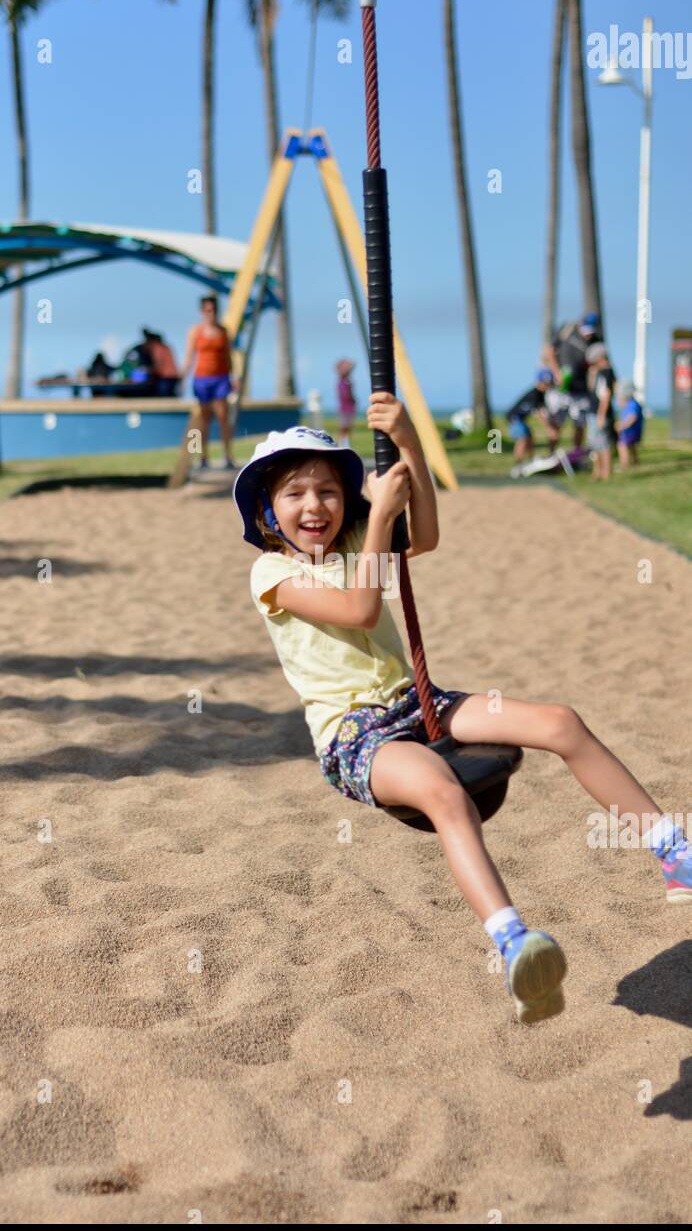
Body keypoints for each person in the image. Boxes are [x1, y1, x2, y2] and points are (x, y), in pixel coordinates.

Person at [232, 404, 692, 1027]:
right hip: (354, 737)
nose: (314, 506)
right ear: (266, 508)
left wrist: (409, 445)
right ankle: (513, 942)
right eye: (295, 494)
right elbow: (360, 609)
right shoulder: (272, 572)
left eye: (329, 491)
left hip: (420, 702)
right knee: (443, 791)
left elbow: (425, 536)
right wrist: (379, 520)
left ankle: (671, 850)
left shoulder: (349, 541)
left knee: (560, 722)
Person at [179, 295, 239, 469]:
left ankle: (228, 456)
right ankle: (203, 457)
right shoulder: (195, 331)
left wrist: (233, 377)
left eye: (212, 310)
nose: (210, 313)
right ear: (201, 312)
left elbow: (228, 356)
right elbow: (190, 357)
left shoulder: (223, 331)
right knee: (203, 420)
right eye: (206, 310)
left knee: (222, 417)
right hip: (201, 379)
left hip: (221, 378)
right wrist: (183, 378)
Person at [546, 313, 602, 448]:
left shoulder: (596, 341)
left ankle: (575, 455)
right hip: (560, 389)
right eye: (586, 330)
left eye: (591, 331)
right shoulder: (567, 330)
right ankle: (551, 454)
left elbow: (597, 363)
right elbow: (549, 351)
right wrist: (557, 373)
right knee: (556, 423)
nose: (588, 335)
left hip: (580, 390)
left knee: (580, 424)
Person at [506, 369, 553, 463]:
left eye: (549, 384)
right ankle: (518, 462)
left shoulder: (541, 394)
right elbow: (538, 413)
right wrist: (548, 428)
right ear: (539, 382)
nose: (547, 386)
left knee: (530, 437)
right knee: (523, 437)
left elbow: (544, 410)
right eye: (545, 383)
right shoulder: (534, 394)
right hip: (514, 417)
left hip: (521, 419)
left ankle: (531, 460)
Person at [585, 343, 617, 481]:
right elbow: (592, 389)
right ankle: (597, 471)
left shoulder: (607, 372)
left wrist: (601, 414)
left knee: (603, 444)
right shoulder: (598, 372)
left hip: (600, 413)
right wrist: (592, 375)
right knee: (594, 444)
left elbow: (607, 395)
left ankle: (606, 472)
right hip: (593, 412)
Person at [142, 329, 181, 398]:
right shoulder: (166, 347)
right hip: (173, 378)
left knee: (162, 400)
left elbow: (158, 367)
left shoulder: (158, 348)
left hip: (166, 379)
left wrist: (147, 371)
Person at [614, 381, 644, 469]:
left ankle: (624, 465)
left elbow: (632, 417)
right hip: (633, 431)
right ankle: (635, 463)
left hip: (630, 431)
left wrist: (622, 426)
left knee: (622, 446)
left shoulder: (632, 405)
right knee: (632, 447)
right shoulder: (632, 403)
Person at [335, 359, 357, 447]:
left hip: (349, 407)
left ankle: (345, 444)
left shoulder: (346, 381)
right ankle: (341, 444)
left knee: (347, 429)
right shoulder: (342, 382)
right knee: (344, 428)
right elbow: (345, 395)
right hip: (345, 408)